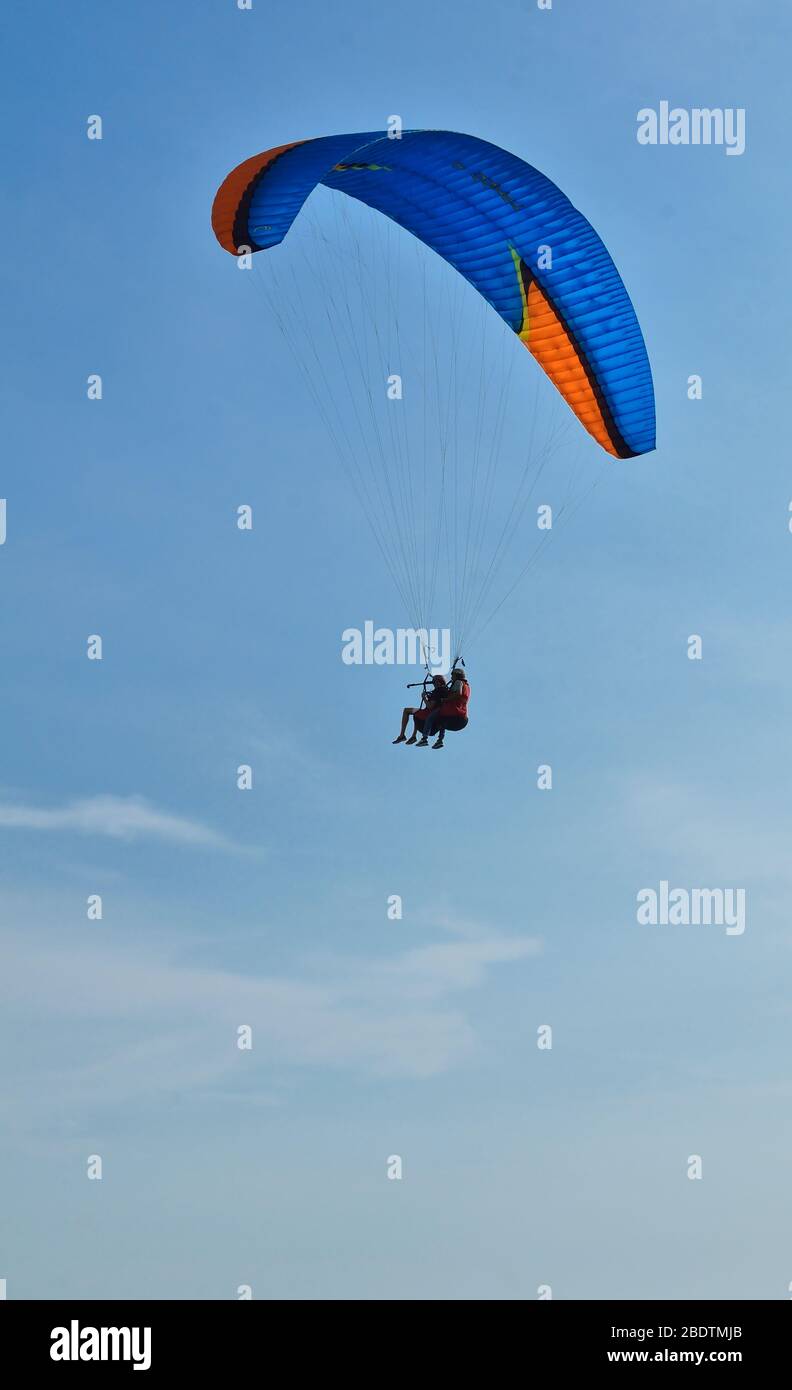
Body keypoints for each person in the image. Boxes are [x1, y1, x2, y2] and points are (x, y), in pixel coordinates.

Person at [416, 666, 470, 748]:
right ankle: (440, 741)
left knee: (430, 717)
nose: (451, 677)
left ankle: (424, 738)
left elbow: (458, 693)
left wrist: (444, 699)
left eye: (452, 675)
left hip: (454, 711)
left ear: (457, 675)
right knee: (442, 721)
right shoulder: (467, 686)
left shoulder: (458, 682)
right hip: (462, 717)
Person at [392, 675, 447, 744]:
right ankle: (413, 736)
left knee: (408, 711)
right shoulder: (445, 690)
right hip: (434, 717)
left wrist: (424, 698)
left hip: (430, 715)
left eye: (434, 682)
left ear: (438, 682)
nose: (433, 684)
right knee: (417, 713)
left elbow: (430, 706)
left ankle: (403, 735)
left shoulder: (438, 691)